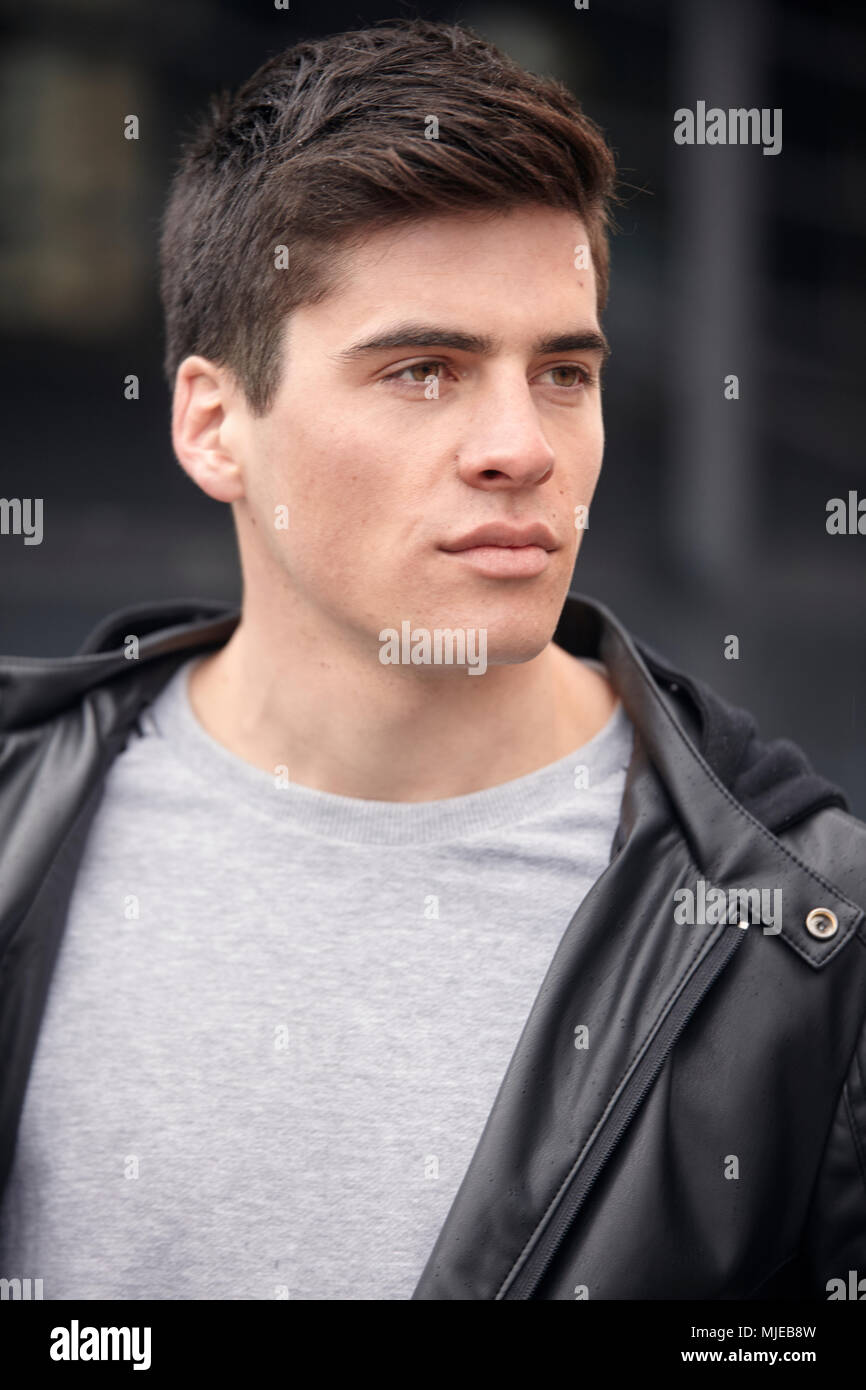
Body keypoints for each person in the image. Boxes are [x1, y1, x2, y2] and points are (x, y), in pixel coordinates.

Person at [0, 18, 864, 1302]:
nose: (519, 446)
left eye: (562, 371)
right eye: (422, 370)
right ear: (212, 425)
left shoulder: (808, 940)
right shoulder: (19, 814)